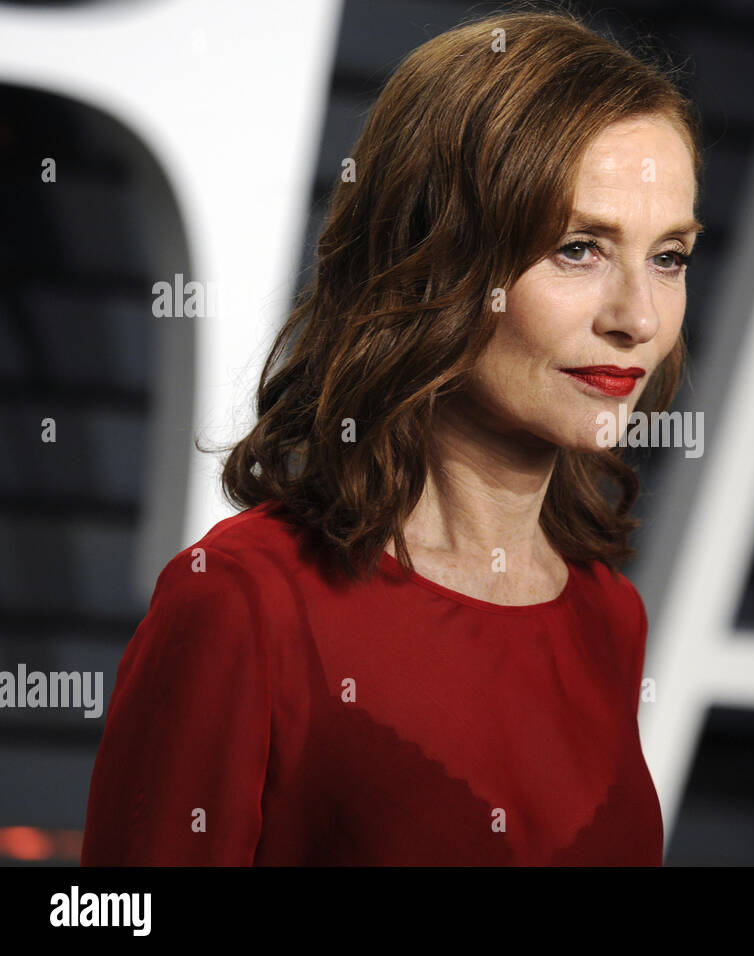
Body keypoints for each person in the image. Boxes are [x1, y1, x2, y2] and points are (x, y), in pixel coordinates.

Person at [80, 7, 704, 866]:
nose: (637, 317)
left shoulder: (606, 614)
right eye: (577, 249)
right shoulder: (244, 603)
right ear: (438, 259)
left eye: (669, 257)